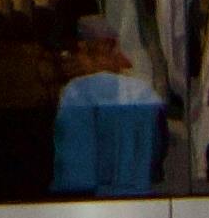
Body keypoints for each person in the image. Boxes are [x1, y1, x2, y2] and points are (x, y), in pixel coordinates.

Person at [49, 15, 168, 196]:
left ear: (86, 50)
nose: (68, 61)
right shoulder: (144, 92)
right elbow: (157, 160)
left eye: (71, 54)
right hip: (141, 203)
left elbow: (75, 175)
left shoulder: (76, 93)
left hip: (93, 207)